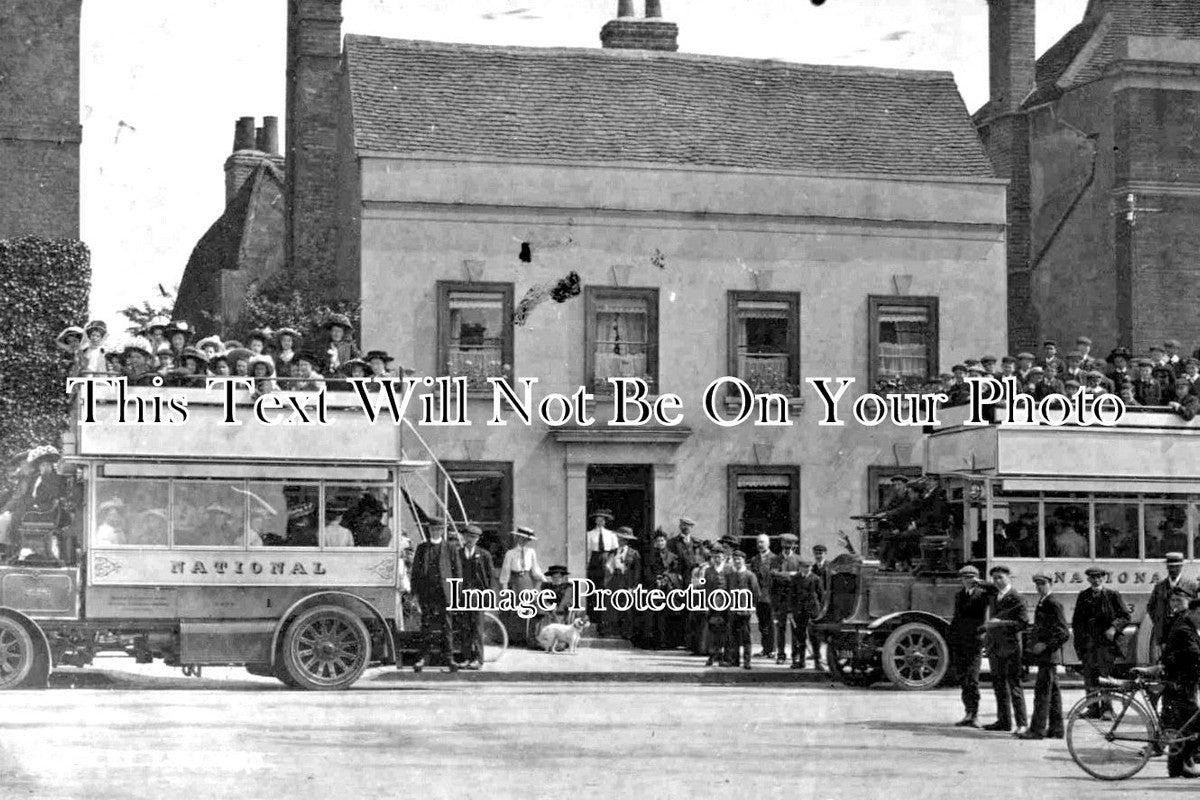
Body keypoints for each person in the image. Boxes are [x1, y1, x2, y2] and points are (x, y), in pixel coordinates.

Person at [1071, 567, 1130, 718]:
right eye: (1093, 577)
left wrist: (1113, 628)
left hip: (1105, 644)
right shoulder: (1083, 596)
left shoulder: (1112, 595)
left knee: (1105, 676)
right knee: (1089, 677)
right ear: (1088, 579)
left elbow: (1125, 616)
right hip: (1088, 644)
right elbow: (1077, 621)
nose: (1096, 580)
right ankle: (1092, 708)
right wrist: (1080, 642)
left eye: (1099, 577)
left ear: (1103, 578)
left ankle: (1107, 709)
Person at [1019, 573, 1070, 740]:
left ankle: (1037, 730)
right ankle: (1056, 729)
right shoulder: (1044, 602)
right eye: (1037, 584)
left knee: (1042, 694)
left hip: (1048, 656)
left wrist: (1046, 645)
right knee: (1053, 693)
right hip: (1046, 657)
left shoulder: (1052, 603)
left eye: (1043, 584)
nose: (1039, 587)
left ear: (1050, 584)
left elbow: (1063, 633)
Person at [411, 517, 462, 672]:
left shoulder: (450, 547)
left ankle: (449, 658)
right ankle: (423, 658)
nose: (435, 532)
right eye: (433, 529)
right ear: (429, 530)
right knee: (426, 625)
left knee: (447, 626)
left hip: (444, 592)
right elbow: (415, 572)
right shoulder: (422, 548)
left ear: (442, 530)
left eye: (438, 529)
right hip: (426, 592)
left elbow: (457, 571)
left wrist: (456, 594)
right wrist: (414, 594)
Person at [981, 565, 1028, 734]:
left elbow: (1023, 623)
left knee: (1014, 686)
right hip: (995, 646)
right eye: (994, 578)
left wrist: (1000, 623)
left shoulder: (1017, 597)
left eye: (1000, 577)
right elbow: (984, 585)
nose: (997, 581)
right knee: (999, 685)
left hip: (1011, 648)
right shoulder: (995, 595)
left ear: (1009, 577)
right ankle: (1004, 721)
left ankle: (1022, 723)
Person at [1161, 599, 1200, 778]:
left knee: (1182, 726)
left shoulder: (1186, 626)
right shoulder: (1184, 630)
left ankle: (1177, 767)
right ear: (1193, 612)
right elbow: (1195, 654)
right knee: (1192, 724)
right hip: (1180, 683)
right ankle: (1183, 763)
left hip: (1180, 682)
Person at [949, 565, 990, 727]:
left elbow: (995, 590)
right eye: (965, 578)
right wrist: (952, 637)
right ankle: (968, 713)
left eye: (970, 578)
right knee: (963, 679)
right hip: (960, 640)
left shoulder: (983, 594)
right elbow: (956, 617)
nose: (967, 581)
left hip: (974, 641)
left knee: (972, 679)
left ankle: (974, 714)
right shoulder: (959, 595)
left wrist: (981, 582)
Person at [456, 524, 495, 670]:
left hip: (478, 595)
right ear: (464, 537)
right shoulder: (458, 553)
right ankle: (466, 658)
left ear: (478, 539)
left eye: (473, 537)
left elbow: (490, 577)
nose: (470, 540)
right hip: (462, 595)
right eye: (467, 537)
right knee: (464, 627)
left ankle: (478, 659)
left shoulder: (484, 555)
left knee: (477, 628)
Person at [1146, 552, 1197, 662]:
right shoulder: (1159, 587)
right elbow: (1151, 607)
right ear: (1167, 568)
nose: (1173, 570)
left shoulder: (1191, 586)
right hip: (1165, 635)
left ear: (1181, 567)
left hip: (1186, 634)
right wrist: (1159, 621)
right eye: (1170, 567)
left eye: (1176, 567)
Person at [668, 516, 704, 649]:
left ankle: (690, 641)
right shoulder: (673, 542)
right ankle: (678, 640)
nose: (685, 527)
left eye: (688, 525)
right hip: (679, 578)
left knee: (692, 608)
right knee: (678, 608)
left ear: (691, 527)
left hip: (693, 579)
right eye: (683, 525)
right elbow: (671, 560)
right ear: (680, 526)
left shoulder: (697, 543)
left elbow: (701, 559)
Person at [640, 530, 680, 649]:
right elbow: (646, 571)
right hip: (653, 587)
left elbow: (675, 571)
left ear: (665, 541)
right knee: (652, 614)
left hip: (667, 588)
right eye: (658, 541)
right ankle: (652, 641)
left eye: (662, 540)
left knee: (665, 615)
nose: (660, 543)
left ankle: (665, 642)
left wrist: (666, 578)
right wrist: (654, 579)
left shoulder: (672, 556)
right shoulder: (649, 556)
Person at [725, 550, 761, 670]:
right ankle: (734, 660)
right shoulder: (730, 575)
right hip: (732, 610)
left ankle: (747, 661)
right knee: (733, 636)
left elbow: (756, 593)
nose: (737, 561)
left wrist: (752, 607)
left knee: (746, 637)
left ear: (744, 560)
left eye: (739, 559)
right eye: (735, 559)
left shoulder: (750, 575)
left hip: (745, 610)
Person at [770, 533, 803, 665]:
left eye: (790, 544)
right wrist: (791, 575)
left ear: (794, 545)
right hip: (780, 599)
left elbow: (800, 578)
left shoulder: (798, 560)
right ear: (781, 544)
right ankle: (781, 654)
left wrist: (782, 574)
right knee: (780, 628)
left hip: (794, 599)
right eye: (785, 544)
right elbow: (773, 575)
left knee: (795, 628)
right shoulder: (775, 560)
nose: (787, 547)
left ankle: (795, 655)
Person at [584, 509, 618, 634]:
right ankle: (595, 620)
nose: (600, 521)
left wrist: (610, 564)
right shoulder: (589, 534)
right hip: (594, 561)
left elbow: (615, 551)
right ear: (595, 521)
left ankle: (606, 623)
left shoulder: (611, 534)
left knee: (606, 591)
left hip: (607, 560)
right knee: (594, 590)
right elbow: (588, 551)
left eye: (602, 520)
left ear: (605, 521)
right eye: (598, 519)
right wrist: (587, 564)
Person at [788, 556, 824, 670]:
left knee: (815, 638)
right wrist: (790, 611)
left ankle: (817, 662)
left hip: (813, 611)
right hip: (799, 611)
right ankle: (801, 661)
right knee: (800, 637)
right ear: (800, 567)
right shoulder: (795, 578)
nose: (807, 569)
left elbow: (821, 596)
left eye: (809, 567)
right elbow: (791, 595)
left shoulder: (816, 579)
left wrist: (820, 611)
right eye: (804, 567)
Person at [608, 526, 642, 639]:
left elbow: (637, 571)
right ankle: (614, 630)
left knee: (627, 606)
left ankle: (627, 632)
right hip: (615, 579)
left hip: (627, 581)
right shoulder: (613, 551)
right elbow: (608, 566)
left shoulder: (634, 553)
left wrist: (634, 586)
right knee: (614, 604)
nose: (621, 541)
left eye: (624, 539)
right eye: (620, 538)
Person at [701, 546, 729, 667]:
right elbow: (706, 588)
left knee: (723, 630)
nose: (718, 559)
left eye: (720, 557)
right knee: (712, 629)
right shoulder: (708, 570)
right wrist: (706, 605)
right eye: (716, 557)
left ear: (724, 558)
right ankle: (712, 655)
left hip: (725, 603)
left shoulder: (728, 570)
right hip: (712, 603)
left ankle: (722, 656)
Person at [749, 534, 775, 658]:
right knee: (762, 623)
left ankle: (772, 649)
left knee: (770, 623)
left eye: (762, 542)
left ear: (768, 544)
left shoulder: (775, 559)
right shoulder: (754, 559)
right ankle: (765, 648)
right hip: (758, 597)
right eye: (758, 542)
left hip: (770, 596)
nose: (760, 544)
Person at [499, 526, 544, 595]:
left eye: (527, 539)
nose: (524, 541)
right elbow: (506, 571)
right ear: (517, 538)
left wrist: (542, 578)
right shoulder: (510, 553)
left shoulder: (531, 552)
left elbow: (535, 569)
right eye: (522, 538)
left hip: (528, 581)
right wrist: (505, 587)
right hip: (515, 581)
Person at [809, 543, 830, 669]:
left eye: (820, 553)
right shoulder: (812, 568)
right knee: (814, 630)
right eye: (816, 553)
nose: (818, 556)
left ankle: (827, 656)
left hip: (827, 603)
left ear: (825, 554)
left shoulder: (830, 567)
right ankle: (817, 655)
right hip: (815, 603)